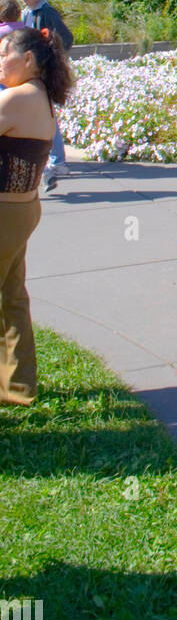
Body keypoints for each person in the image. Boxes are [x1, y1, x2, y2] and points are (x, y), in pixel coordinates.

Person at [0, 27, 75, 404]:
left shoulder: (18, 97)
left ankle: (17, 387)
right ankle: (17, 387)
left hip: (6, 212)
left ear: (27, 60)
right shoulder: (41, 96)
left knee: (11, 299)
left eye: (3, 55)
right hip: (22, 209)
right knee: (11, 298)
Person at [16, 0, 73, 191]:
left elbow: (66, 37)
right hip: (31, 71)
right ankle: (54, 160)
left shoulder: (46, 13)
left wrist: (52, 57)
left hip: (43, 71)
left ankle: (57, 162)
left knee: (46, 114)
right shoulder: (27, 13)